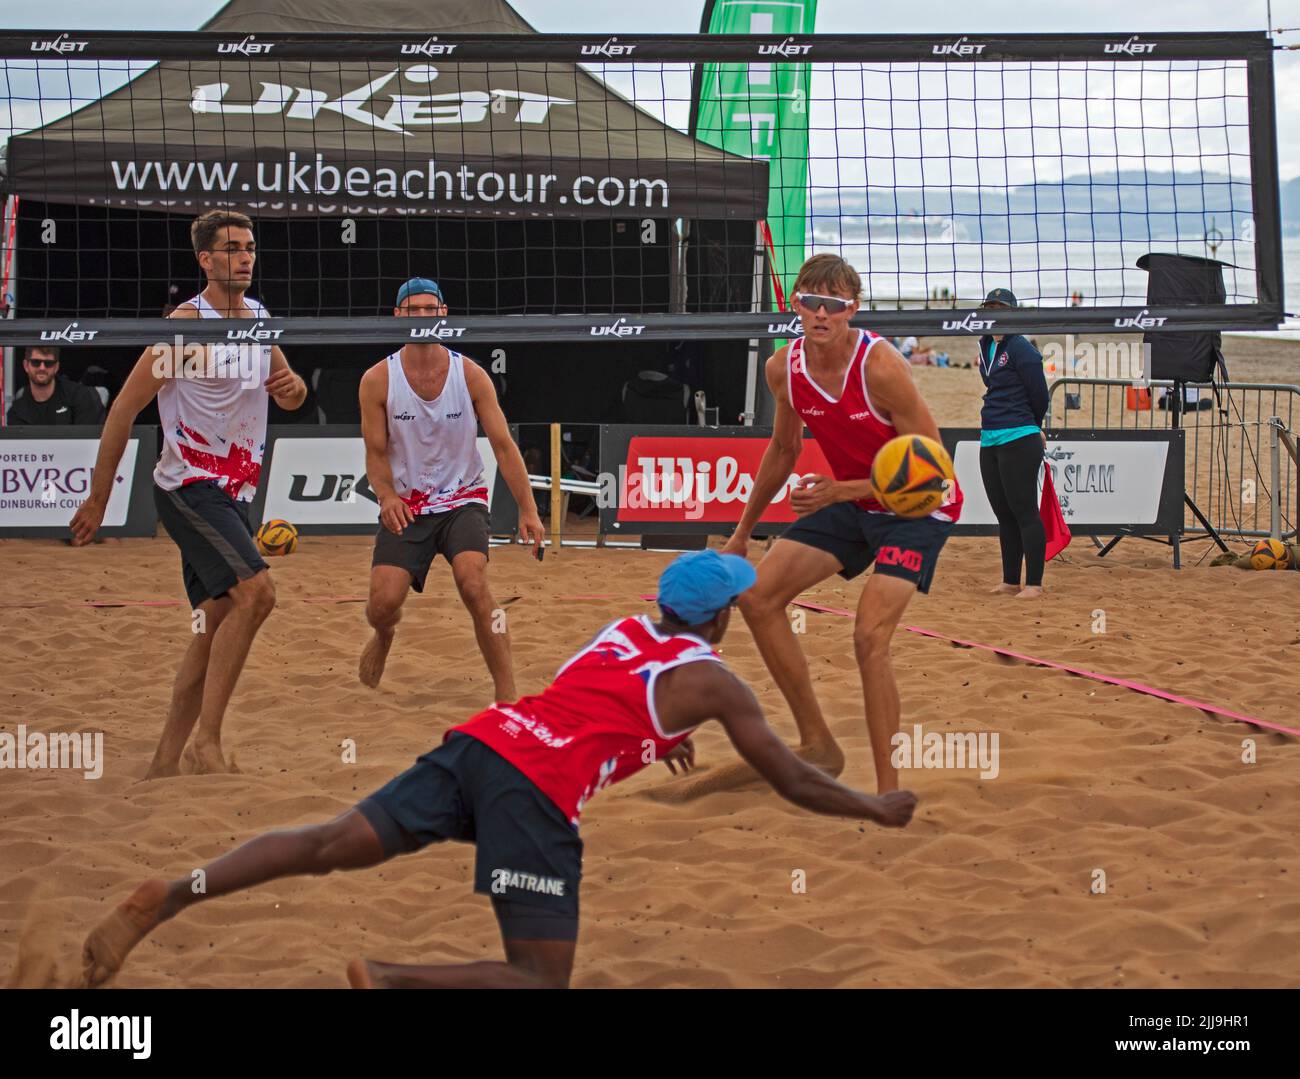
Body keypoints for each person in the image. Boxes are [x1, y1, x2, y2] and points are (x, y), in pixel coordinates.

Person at [80, 551, 917, 990]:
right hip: (538, 792)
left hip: (486, 740)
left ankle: (172, 892)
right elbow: (792, 776)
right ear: (726, 615)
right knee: (538, 977)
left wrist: (664, 737)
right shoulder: (714, 680)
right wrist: (874, 809)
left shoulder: (621, 629)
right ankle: (393, 976)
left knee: (329, 839)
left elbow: (603, 698)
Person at [697, 254, 963, 799]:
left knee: (868, 637)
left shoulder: (882, 368)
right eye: (809, 302)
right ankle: (818, 743)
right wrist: (743, 532)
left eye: (834, 305)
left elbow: (936, 466)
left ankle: (888, 795)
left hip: (918, 506)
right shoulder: (783, 369)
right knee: (759, 598)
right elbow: (782, 449)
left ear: (853, 310)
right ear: (795, 303)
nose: (820, 314)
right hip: (854, 501)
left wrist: (842, 490)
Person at [69, 210, 308, 777]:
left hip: (236, 492)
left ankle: (162, 761)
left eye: (249, 247)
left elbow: (289, 394)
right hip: (187, 488)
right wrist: (99, 499)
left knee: (215, 619)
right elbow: (122, 412)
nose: (244, 257)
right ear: (205, 259)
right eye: (231, 248)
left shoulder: (259, 319)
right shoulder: (184, 326)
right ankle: (207, 742)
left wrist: (294, 389)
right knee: (258, 595)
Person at [357, 279, 544, 699]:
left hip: (463, 498)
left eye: (430, 308)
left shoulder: (471, 375)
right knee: (382, 604)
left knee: (472, 583)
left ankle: (507, 694)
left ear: (444, 313)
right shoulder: (377, 379)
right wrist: (386, 496)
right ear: (398, 316)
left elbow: (503, 445)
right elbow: (374, 453)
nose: (422, 316)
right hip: (408, 503)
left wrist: (529, 510)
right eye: (413, 309)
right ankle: (385, 635)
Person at [975, 288, 1050, 599]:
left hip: (1019, 436)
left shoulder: (1022, 348)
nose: (994, 313)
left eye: (1000, 308)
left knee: (1025, 512)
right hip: (990, 435)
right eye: (989, 308)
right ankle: (1010, 581)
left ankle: (1034, 583)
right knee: (1003, 513)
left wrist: (1033, 425)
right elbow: (994, 386)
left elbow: (1040, 395)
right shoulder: (985, 346)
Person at [6, 346, 106, 426]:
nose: (42, 368)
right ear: (26, 366)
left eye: (48, 363)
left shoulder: (81, 396)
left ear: (56, 367)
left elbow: (88, 443)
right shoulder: (17, 409)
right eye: (36, 362)